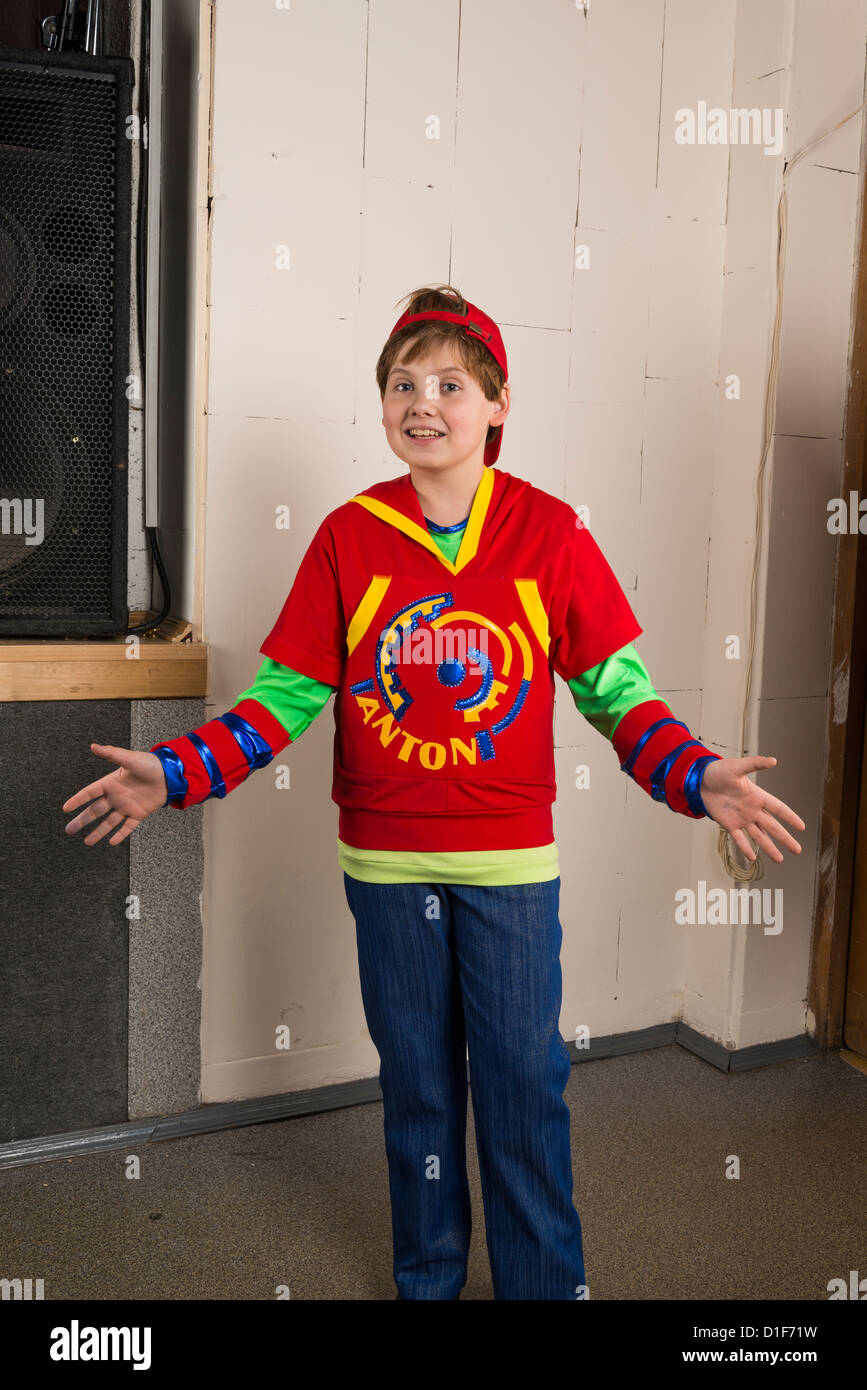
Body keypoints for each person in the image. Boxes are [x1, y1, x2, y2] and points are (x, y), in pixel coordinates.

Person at [62, 284, 805, 1300]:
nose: (424, 401)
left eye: (451, 383)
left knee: (521, 1087)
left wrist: (699, 771)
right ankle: (428, 1282)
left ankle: (543, 1285)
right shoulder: (347, 536)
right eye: (402, 382)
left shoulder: (548, 533)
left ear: (497, 407)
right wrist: (179, 768)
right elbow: (284, 697)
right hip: (385, 864)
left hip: (507, 866)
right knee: (416, 1091)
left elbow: (617, 694)